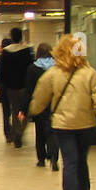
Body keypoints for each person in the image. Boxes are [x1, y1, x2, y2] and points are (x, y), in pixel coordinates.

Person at [27, 34, 96, 190]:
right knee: (81, 160)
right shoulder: (90, 73)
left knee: (70, 162)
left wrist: (32, 111)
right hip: (86, 125)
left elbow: (40, 97)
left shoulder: (52, 73)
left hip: (62, 126)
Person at [18, 42, 59, 170]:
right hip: (54, 105)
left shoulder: (32, 69)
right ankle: (53, 157)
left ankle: (41, 159)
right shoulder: (57, 68)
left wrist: (23, 110)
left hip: (39, 105)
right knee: (53, 132)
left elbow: (28, 91)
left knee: (40, 132)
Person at [0, 27, 35, 148]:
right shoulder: (27, 51)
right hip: (24, 87)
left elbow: (2, 72)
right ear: (21, 37)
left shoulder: (6, 52)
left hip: (10, 88)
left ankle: (16, 132)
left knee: (14, 111)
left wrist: (4, 85)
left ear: (12, 37)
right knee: (25, 111)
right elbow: (30, 69)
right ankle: (20, 132)